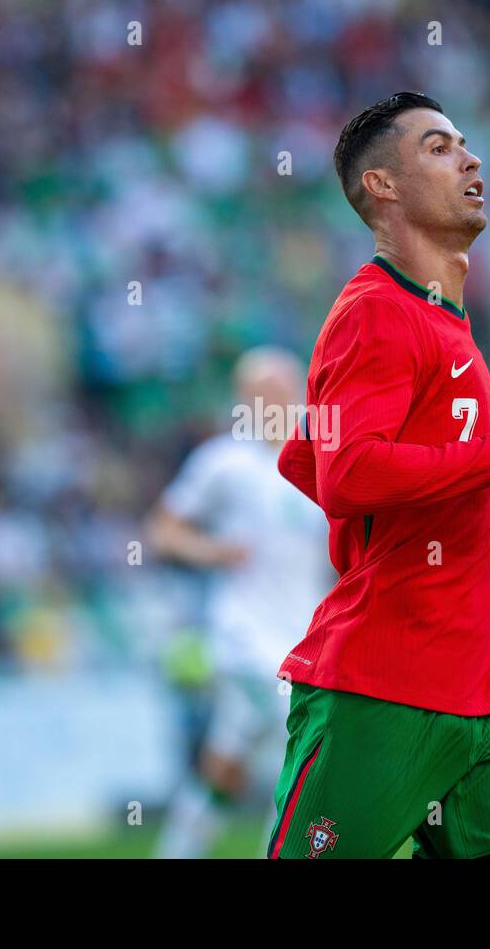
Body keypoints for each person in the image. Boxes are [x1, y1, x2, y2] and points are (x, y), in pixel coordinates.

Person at [268, 93, 490, 859]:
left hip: (488, 690)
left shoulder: (443, 317)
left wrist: (449, 536)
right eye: (440, 148)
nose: (470, 159)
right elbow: (347, 472)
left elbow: (302, 453)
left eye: (466, 144)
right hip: (384, 685)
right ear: (384, 187)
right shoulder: (376, 311)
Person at [149, 347, 332, 858]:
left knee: (223, 767)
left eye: (281, 388)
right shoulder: (222, 462)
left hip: (303, 634)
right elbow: (162, 530)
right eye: (261, 390)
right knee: (303, 747)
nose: (272, 399)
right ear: (242, 398)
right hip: (244, 635)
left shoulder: (321, 462)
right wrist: (210, 550)